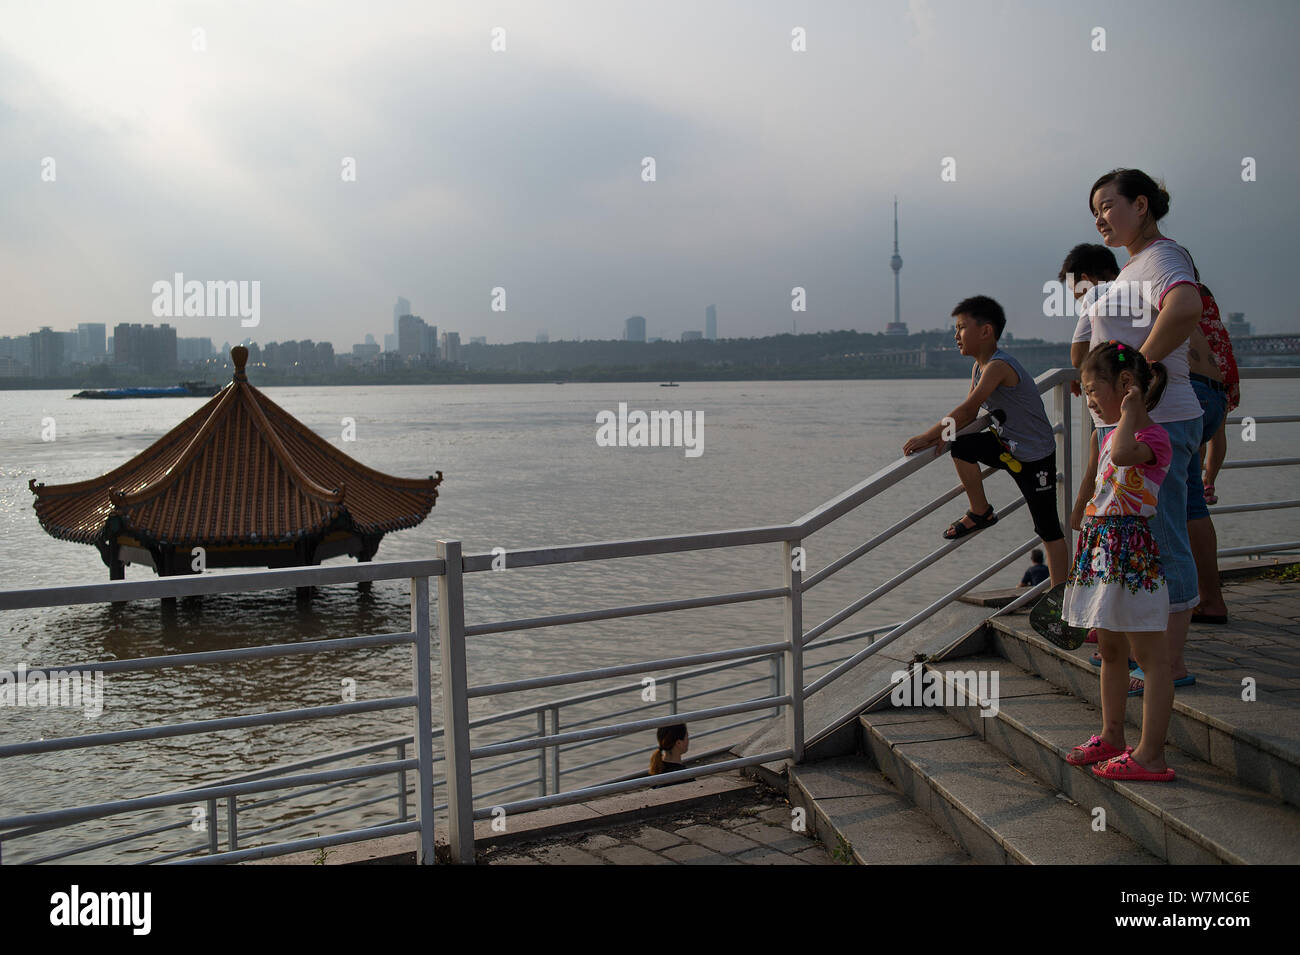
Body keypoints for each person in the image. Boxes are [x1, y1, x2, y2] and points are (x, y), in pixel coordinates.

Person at [1081, 169, 1205, 696]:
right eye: (1095, 212)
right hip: (1133, 424)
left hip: (1166, 419)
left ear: (1141, 204)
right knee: (1144, 538)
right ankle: (1146, 655)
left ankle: (1169, 664)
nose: (1100, 218)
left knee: (1165, 538)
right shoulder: (1133, 266)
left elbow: (1186, 308)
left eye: (1108, 206)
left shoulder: (1164, 257)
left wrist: (1141, 369)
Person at [1064, 341, 1175, 781]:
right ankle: (1111, 734)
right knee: (1110, 649)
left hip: (1133, 557)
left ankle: (1151, 754)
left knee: (1151, 657)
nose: (1089, 399)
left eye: (1094, 390)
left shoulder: (1151, 438)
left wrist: (1130, 411)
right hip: (1104, 551)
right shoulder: (1107, 433)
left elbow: (1126, 456)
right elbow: (1099, 482)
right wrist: (1081, 510)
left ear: (1127, 385)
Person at [903, 296, 1068, 585]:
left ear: (986, 331)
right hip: (1006, 447)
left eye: (961, 328)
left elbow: (968, 410)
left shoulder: (998, 367)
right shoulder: (979, 367)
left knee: (1048, 529)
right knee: (962, 447)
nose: (955, 336)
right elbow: (969, 413)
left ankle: (1060, 596)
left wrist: (928, 435)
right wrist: (947, 434)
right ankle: (981, 511)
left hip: (1035, 457)